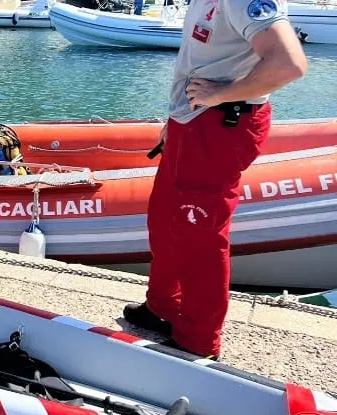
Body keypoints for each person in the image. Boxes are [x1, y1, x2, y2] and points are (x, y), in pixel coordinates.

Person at [122, 0, 307, 359]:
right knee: (164, 219)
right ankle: (163, 307)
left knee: (200, 235)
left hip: (220, 125)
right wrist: (175, 121)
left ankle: (199, 341)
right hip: (191, 122)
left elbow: (289, 63)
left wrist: (218, 95)